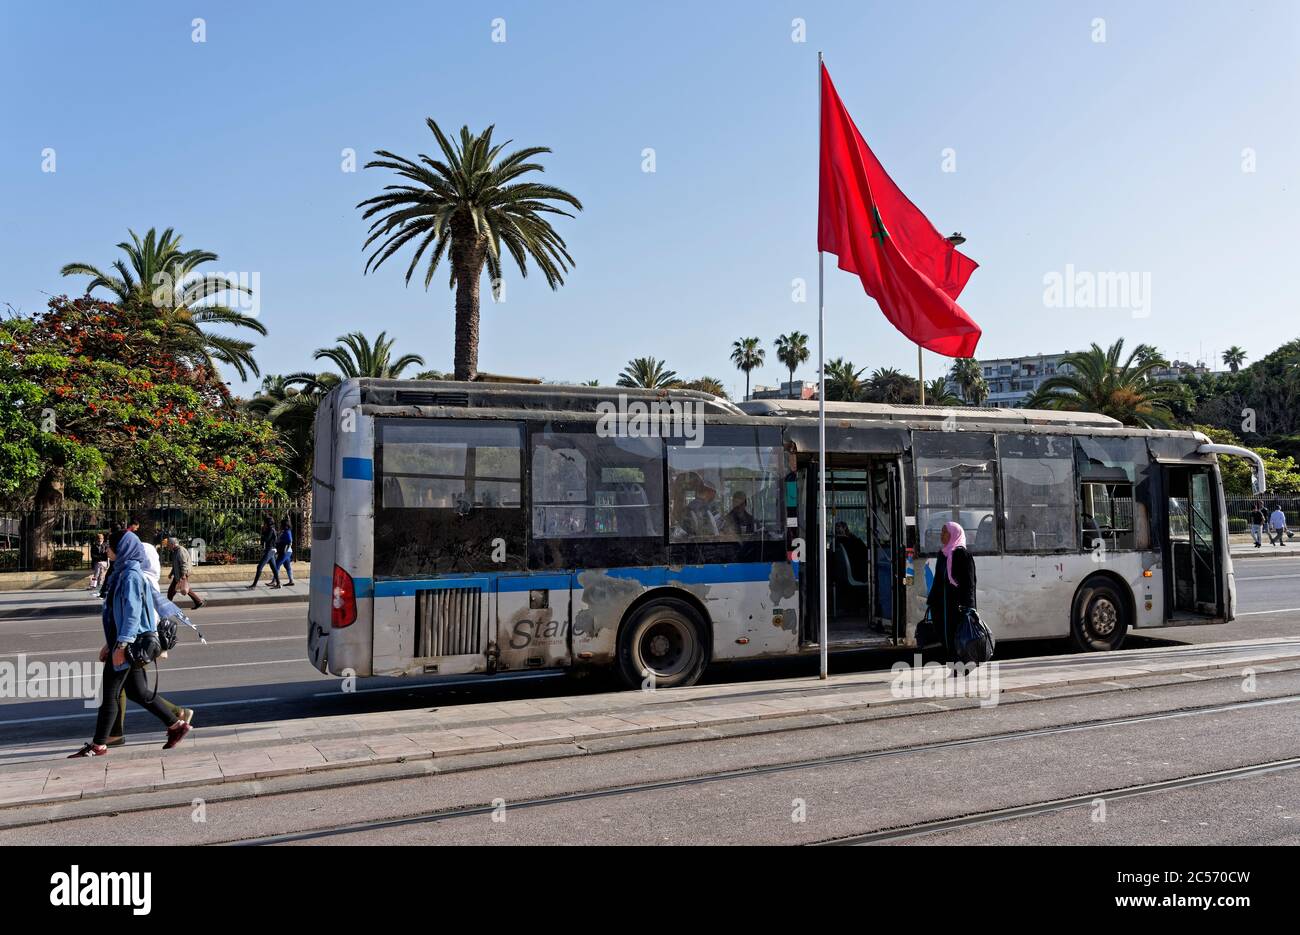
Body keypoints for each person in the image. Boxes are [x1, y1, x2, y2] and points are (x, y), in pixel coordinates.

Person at [68, 529, 192, 757]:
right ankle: (177, 725)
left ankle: (98, 745)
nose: (107, 549)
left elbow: (133, 615)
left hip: (129, 644)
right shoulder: (124, 572)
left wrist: (121, 645)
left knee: (110, 693)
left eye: (111, 546)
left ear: (122, 549)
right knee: (137, 691)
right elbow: (121, 614)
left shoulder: (131, 576)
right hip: (124, 642)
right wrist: (111, 642)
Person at [925, 521, 977, 663]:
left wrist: (970, 608)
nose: (941, 535)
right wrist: (931, 602)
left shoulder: (963, 555)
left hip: (957, 607)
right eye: (941, 532)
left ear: (954, 534)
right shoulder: (942, 554)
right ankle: (953, 662)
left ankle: (961, 663)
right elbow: (937, 580)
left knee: (959, 637)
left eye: (945, 532)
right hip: (942, 606)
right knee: (944, 636)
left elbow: (969, 584)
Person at [162, 535, 205, 609]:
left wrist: (184, 575)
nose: (168, 547)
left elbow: (184, 563)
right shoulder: (175, 551)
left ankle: (168, 606)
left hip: (181, 574)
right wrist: (171, 573)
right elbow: (175, 564)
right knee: (184, 589)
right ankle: (198, 602)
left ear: (173, 544)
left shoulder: (180, 551)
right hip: (178, 574)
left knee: (172, 590)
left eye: (168, 545)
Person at [249, 517, 280, 588]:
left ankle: (254, 585)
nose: (264, 524)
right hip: (271, 550)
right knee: (273, 568)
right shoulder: (271, 529)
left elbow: (266, 539)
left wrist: (263, 531)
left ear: (267, 523)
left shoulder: (271, 530)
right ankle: (278, 583)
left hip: (270, 550)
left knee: (259, 567)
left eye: (265, 522)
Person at [274, 518, 295, 586]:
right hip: (288, 552)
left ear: (284, 525)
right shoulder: (286, 531)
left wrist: (285, 549)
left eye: (281, 524)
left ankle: (274, 581)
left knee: (276, 565)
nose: (280, 525)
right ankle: (291, 580)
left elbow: (289, 540)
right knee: (287, 566)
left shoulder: (287, 531)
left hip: (285, 552)